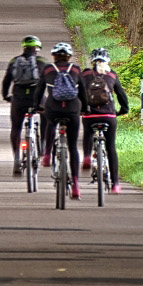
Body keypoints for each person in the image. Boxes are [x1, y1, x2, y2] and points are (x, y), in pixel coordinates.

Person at [38, 42, 85, 199]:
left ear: (54, 56)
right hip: (72, 110)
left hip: (53, 108)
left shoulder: (48, 69)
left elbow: (39, 91)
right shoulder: (76, 69)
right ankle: (76, 184)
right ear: (69, 56)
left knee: (51, 124)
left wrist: (36, 106)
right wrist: (85, 109)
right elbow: (83, 93)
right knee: (72, 147)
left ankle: (46, 155)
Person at [80, 47, 129, 194]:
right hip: (109, 116)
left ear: (93, 61)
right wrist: (123, 110)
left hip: (90, 115)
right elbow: (121, 95)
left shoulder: (86, 74)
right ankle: (115, 184)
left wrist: (81, 109)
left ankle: (87, 156)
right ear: (108, 61)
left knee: (88, 133)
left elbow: (79, 93)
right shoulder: (112, 75)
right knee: (111, 148)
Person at [1, 35, 51, 176]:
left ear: (24, 47)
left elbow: (6, 81)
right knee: (46, 116)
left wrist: (6, 96)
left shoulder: (14, 61)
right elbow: (51, 82)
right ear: (37, 49)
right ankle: (42, 145)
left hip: (19, 99)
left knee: (16, 128)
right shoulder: (43, 62)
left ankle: (17, 158)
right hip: (38, 99)